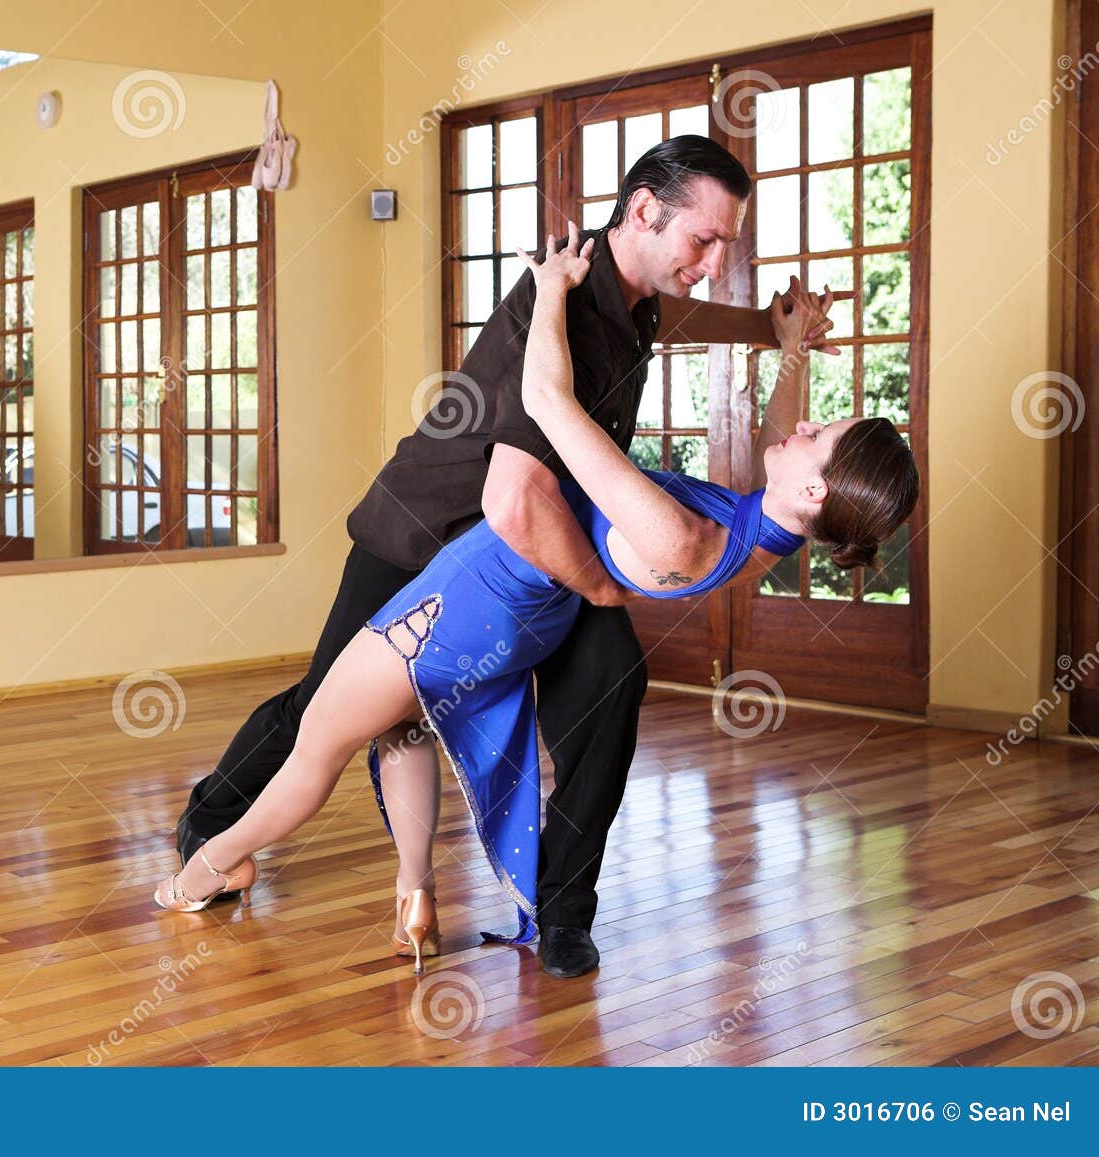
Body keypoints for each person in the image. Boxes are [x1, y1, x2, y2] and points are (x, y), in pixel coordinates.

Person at [154, 236, 919, 979]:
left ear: (814, 489)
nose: (803, 426)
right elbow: (781, 444)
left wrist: (547, 288)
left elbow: (546, 404)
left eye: (820, 433)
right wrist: (787, 350)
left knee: (319, 743)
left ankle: (207, 868)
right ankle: (413, 893)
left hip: (468, 599)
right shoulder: (767, 529)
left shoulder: (681, 535)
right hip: (508, 597)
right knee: (399, 725)